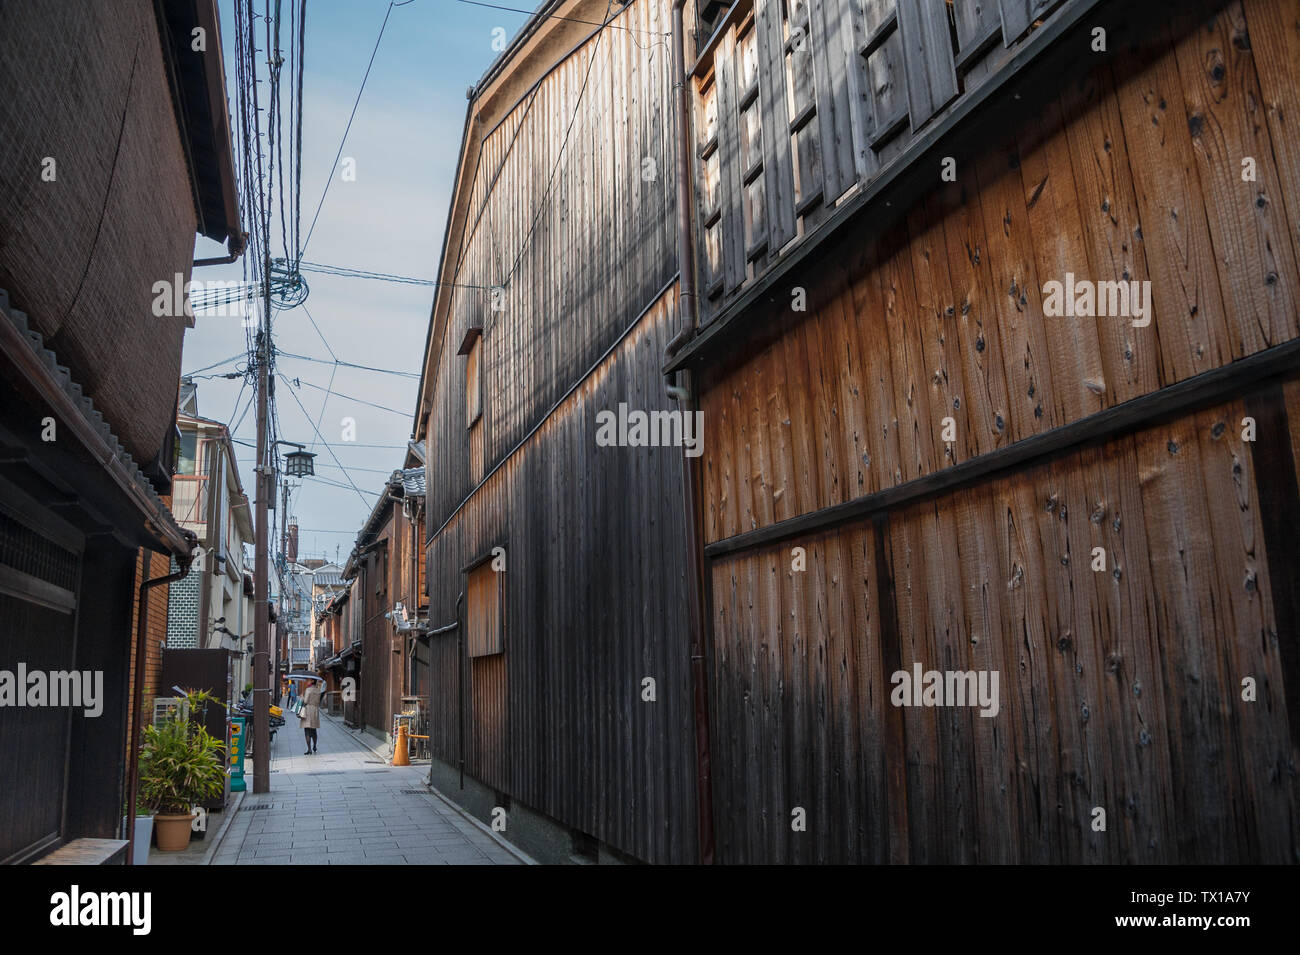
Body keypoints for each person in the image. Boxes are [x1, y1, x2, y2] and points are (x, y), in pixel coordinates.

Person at [299, 678, 321, 755]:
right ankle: (314, 746)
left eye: (309, 680)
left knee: (307, 730)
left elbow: (305, 701)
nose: (307, 681)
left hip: (308, 710)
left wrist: (302, 696)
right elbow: (318, 701)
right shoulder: (318, 690)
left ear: (312, 681)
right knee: (314, 730)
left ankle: (309, 749)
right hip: (315, 710)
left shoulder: (308, 690)